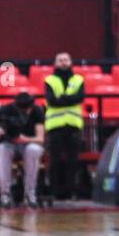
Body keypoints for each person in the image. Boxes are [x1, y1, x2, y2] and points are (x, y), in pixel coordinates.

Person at [43, 52, 85, 200]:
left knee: (72, 161)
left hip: (74, 126)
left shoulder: (79, 79)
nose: (63, 62)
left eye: (66, 59)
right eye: (60, 60)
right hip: (55, 127)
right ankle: (55, 192)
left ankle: (71, 191)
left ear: (71, 62)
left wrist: (62, 98)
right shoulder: (49, 80)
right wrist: (69, 99)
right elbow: (51, 100)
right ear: (55, 63)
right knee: (54, 161)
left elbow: (80, 98)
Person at [0, 92, 46, 208]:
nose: (25, 111)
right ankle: (4, 194)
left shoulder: (37, 111)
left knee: (33, 150)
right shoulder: (5, 110)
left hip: (29, 144)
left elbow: (40, 139)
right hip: (9, 144)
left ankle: (30, 194)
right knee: (2, 149)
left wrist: (25, 139)